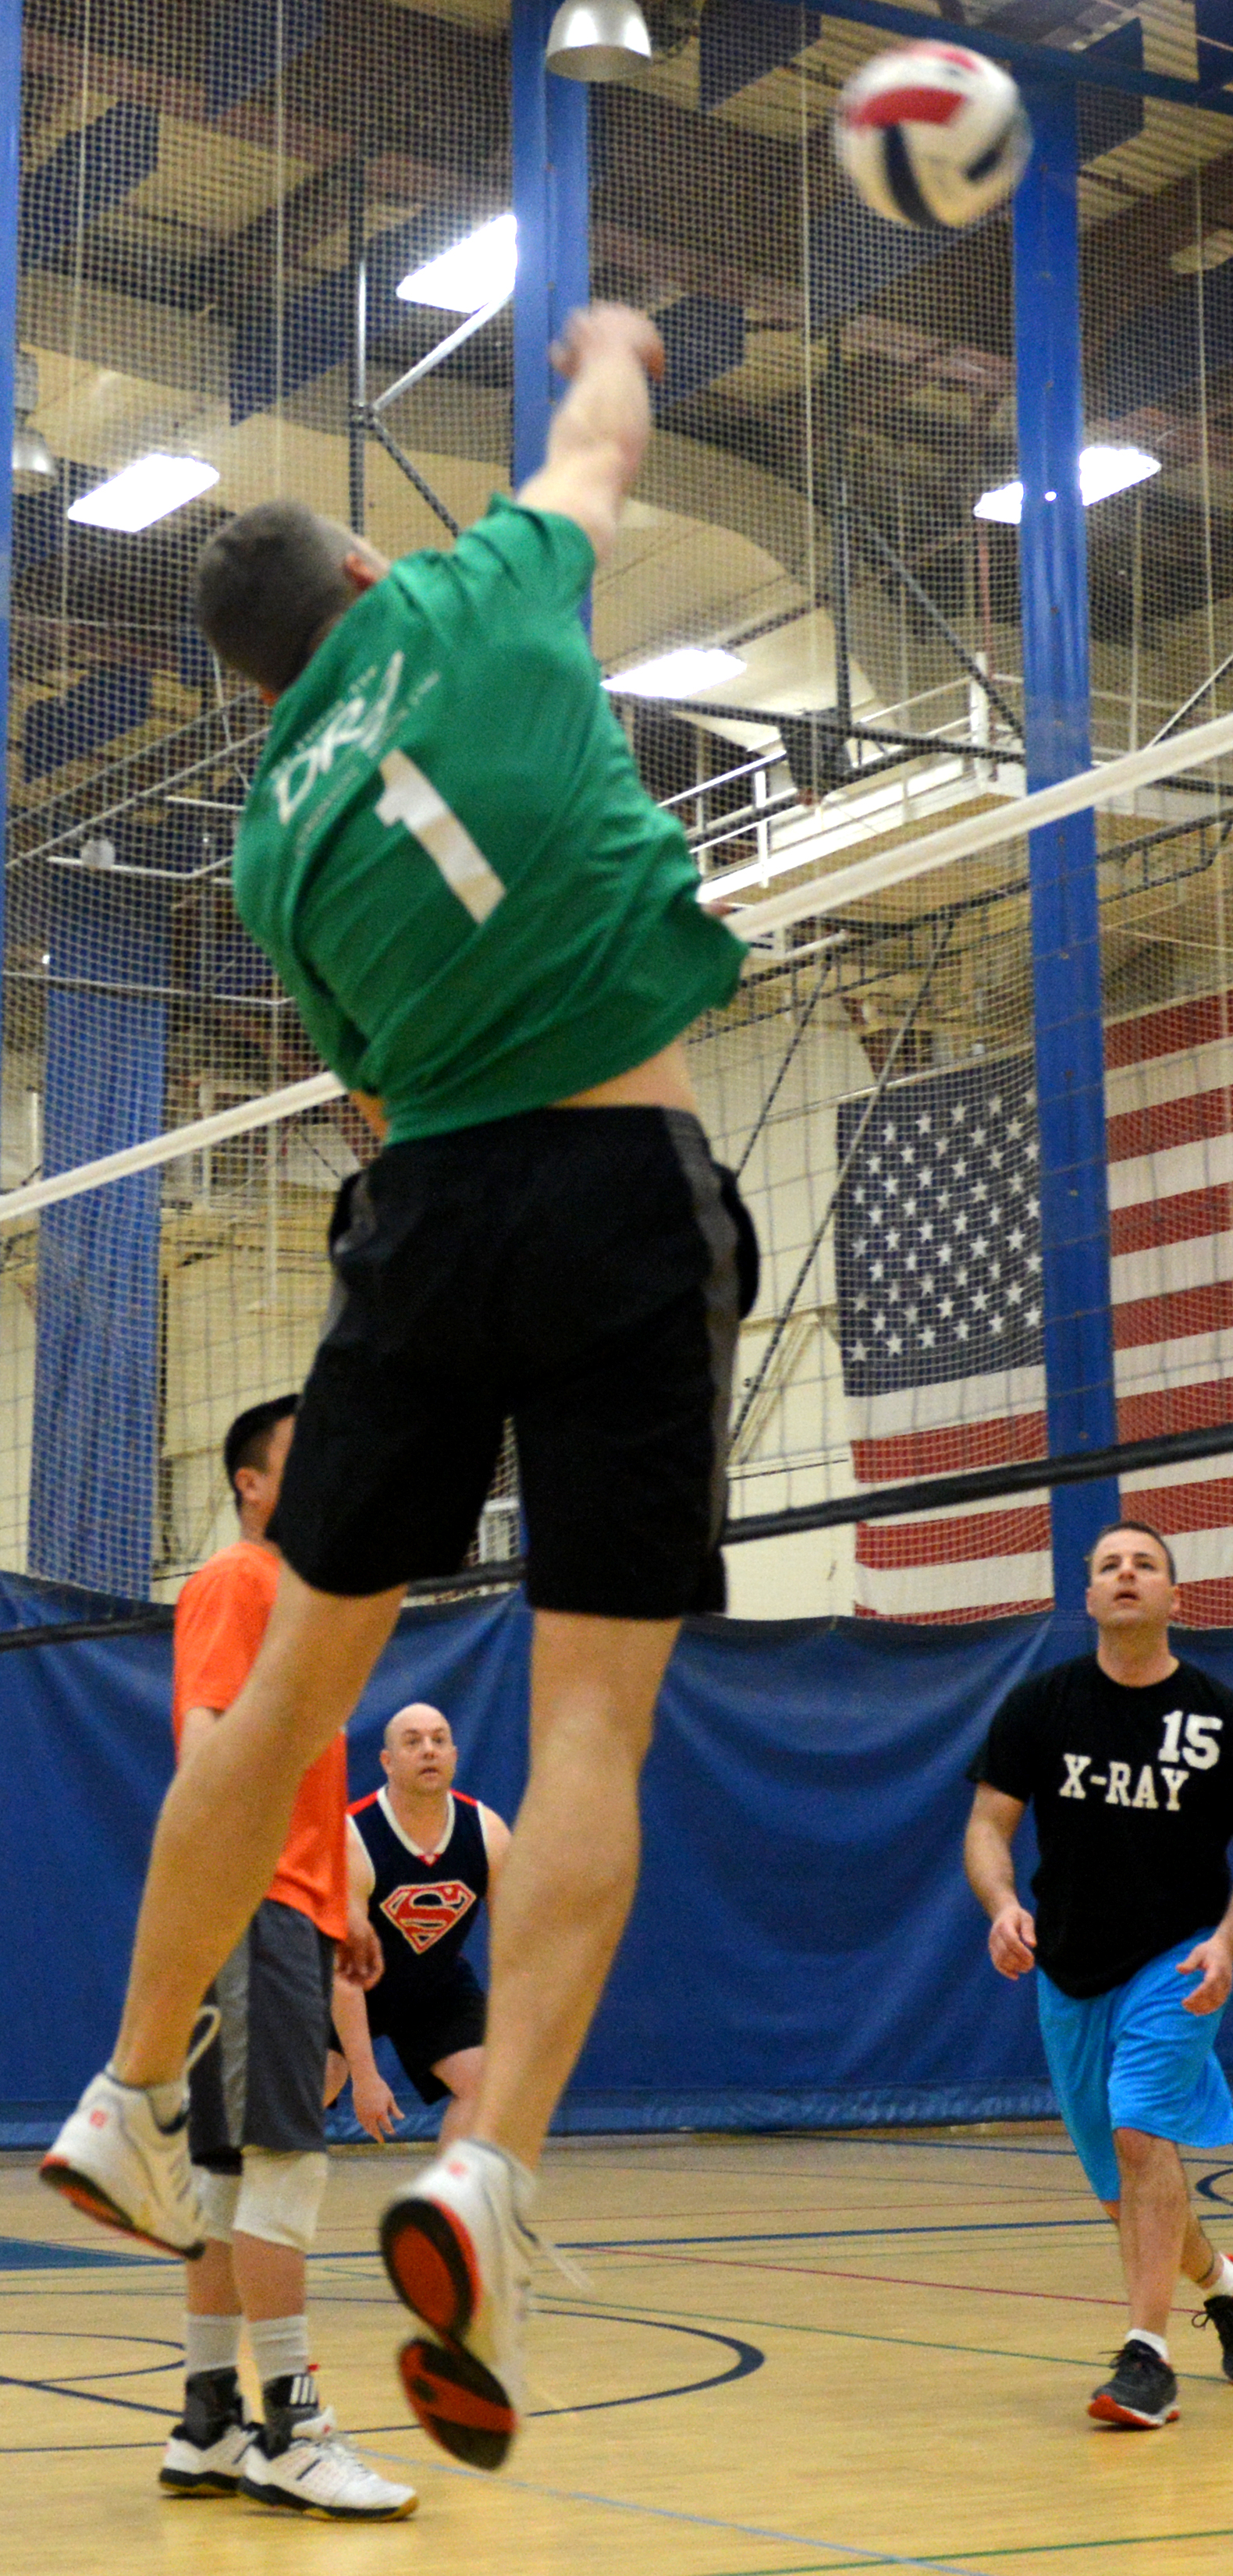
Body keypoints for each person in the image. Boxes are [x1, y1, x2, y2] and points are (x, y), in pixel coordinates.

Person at [41, 302, 755, 2476]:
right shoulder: (473, 587)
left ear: (256, 681)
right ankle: (486, 2164)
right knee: (598, 1707)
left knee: (280, 1703)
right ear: (362, 577)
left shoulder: (265, 843)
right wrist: (614, 343)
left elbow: (356, 1087)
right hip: (623, 1179)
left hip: (421, 1211)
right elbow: (602, 440)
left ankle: (127, 2084)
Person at [964, 1520, 1233, 2431]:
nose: (1125, 1573)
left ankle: (1147, 2357)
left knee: (1143, 2133)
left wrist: (1227, 1940)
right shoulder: (1040, 1705)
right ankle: (1232, 2284)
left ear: (1174, 1596)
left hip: (1176, 1957)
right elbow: (988, 1827)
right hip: (1068, 1968)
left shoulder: (1226, 1717)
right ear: (1089, 1594)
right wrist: (1000, 1904)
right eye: (1108, 1562)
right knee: (1123, 2189)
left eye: (1144, 1562)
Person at [159, 1396, 414, 2521]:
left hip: (279, 1902)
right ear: (254, 1486)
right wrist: (265, 1895)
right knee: (283, 2163)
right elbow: (205, 1742)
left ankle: (211, 2418)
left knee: (224, 2176)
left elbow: (298, 1778)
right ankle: (293, 2428)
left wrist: (337, 1897)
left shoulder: (307, 1605)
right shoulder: (242, 1580)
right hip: (250, 1901)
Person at [328, 1703, 510, 2145]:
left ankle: (445, 2207)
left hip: (432, 1984)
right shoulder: (353, 1838)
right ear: (387, 1762)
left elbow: (516, 1947)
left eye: (438, 1739)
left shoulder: (488, 1832)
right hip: (345, 1986)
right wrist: (365, 2077)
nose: (428, 1750)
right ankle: (235, 2198)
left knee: (487, 2087)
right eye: (412, 1742)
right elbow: (342, 1974)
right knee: (303, 2093)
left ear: (454, 1754)